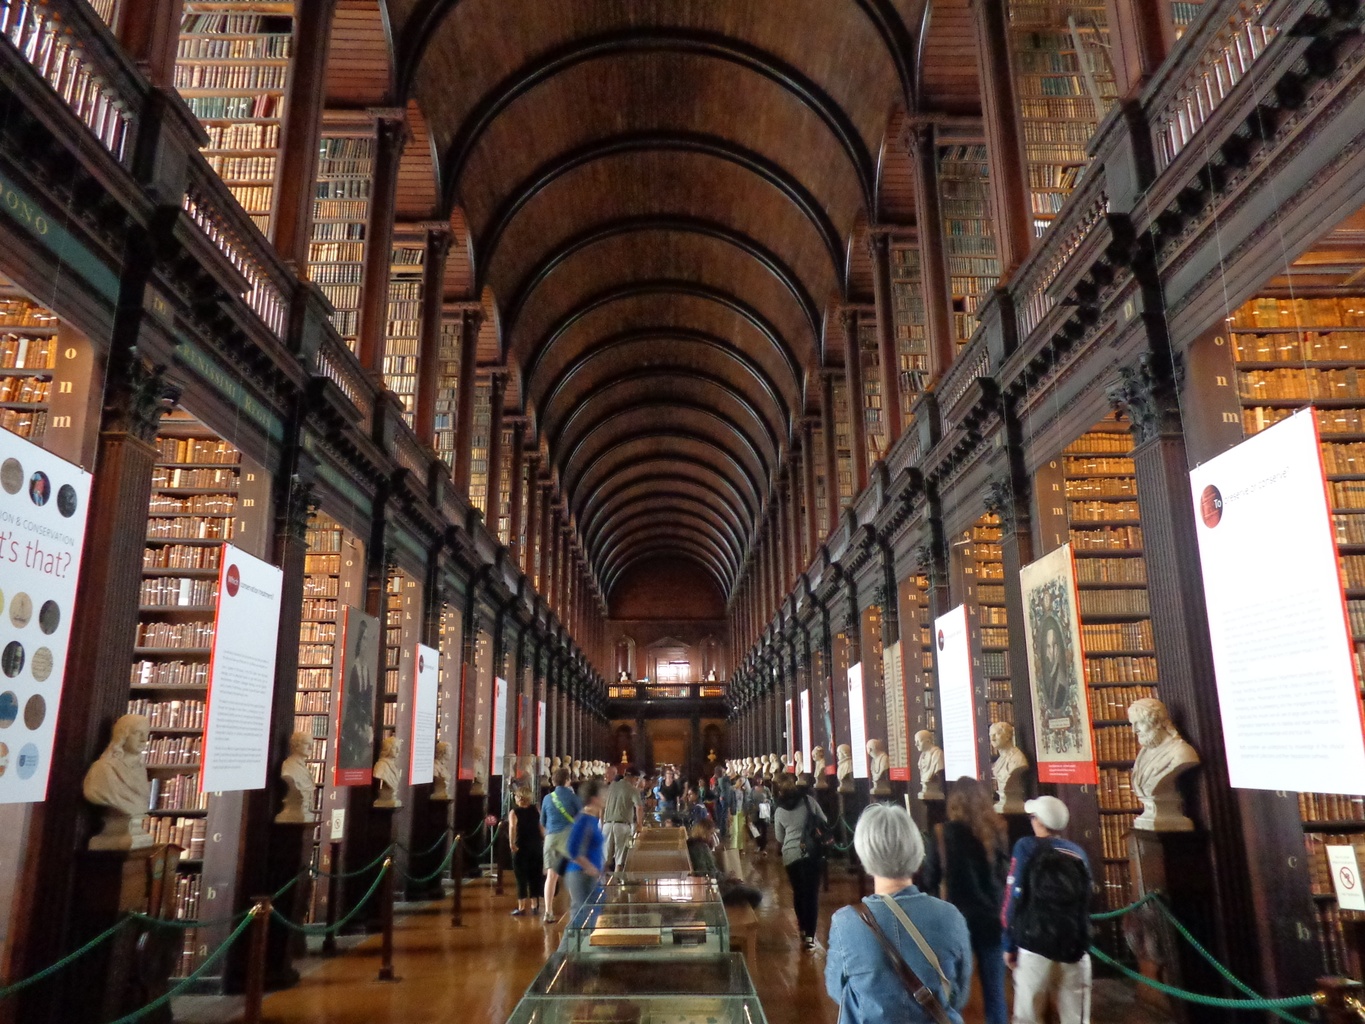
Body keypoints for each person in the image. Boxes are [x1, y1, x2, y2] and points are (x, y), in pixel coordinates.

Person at [825, 803, 973, 1023]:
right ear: (916, 848)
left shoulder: (845, 923)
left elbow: (836, 990)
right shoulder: (950, 916)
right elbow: (959, 994)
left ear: (864, 852)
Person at [921, 778, 1010, 1024]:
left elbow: (930, 878)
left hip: (955, 921)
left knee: (954, 995)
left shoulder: (942, 833)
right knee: (995, 994)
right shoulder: (998, 832)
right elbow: (1004, 877)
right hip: (992, 921)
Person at [1002, 795, 1093, 1024]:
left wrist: (1008, 942)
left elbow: (1013, 895)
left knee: (1028, 1017)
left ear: (1039, 821)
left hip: (1034, 943)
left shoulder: (1026, 847)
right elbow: (1086, 900)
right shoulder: (1078, 852)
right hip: (1073, 945)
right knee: (1076, 1018)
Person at [772, 778, 827, 951]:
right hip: (811, 852)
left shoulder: (779, 810)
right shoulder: (808, 801)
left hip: (791, 855)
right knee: (811, 894)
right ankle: (810, 935)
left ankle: (802, 928)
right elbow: (823, 820)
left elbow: (779, 837)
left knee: (798, 892)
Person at [562, 779, 606, 929]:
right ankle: (567, 945)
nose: (605, 797)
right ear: (594, 798)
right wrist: (590, 867)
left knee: (592, 911)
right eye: (602, 794)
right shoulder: (584, 819)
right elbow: (572, 849)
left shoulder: (592, 818)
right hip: (581, 875)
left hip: (588, 875)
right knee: (580, 916)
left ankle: (584, 942)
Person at [539, 767, 581, 924]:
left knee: (551, 877)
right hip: (569, 838)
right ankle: (576, 910)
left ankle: (548, 912)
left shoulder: (547, 798)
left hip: (551, 838)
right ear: (567, 780)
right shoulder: (573, 798)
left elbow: (543, 821)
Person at [507, 787, 544, 917]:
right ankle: (534, 905)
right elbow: (541, 826)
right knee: (535, 875)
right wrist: (544, 839)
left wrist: (511, 843)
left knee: (521, 877)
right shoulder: (536, 809)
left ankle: (521, 907)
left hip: (521, 846)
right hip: (536, 846)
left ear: (518, 798)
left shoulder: (514, 812)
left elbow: (513, 828)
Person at [602, 766, 644, 871]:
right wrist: (639, 825)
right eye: (637, 780)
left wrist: (602, 823)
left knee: (605, 860)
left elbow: (602, 805)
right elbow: (639, 807)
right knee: (619, 860)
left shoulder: (612, 786)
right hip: (622, 827)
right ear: (634, 778)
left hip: (607, 825)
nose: (636, 782)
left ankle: (601, 881)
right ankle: (617, 880)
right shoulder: (633, 790)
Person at [746, 776, 773, 856]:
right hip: (755, 811)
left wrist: (768, 801)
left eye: (760, 779)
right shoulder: (752, 790)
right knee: (755, 829)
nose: (759, 780)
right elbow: (749, 799)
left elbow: (771, 799)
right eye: (757, 779)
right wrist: (751, 805)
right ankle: (759, 844)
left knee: (764, 829)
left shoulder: (766, 789)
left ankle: (763, 847)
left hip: (764, 810)